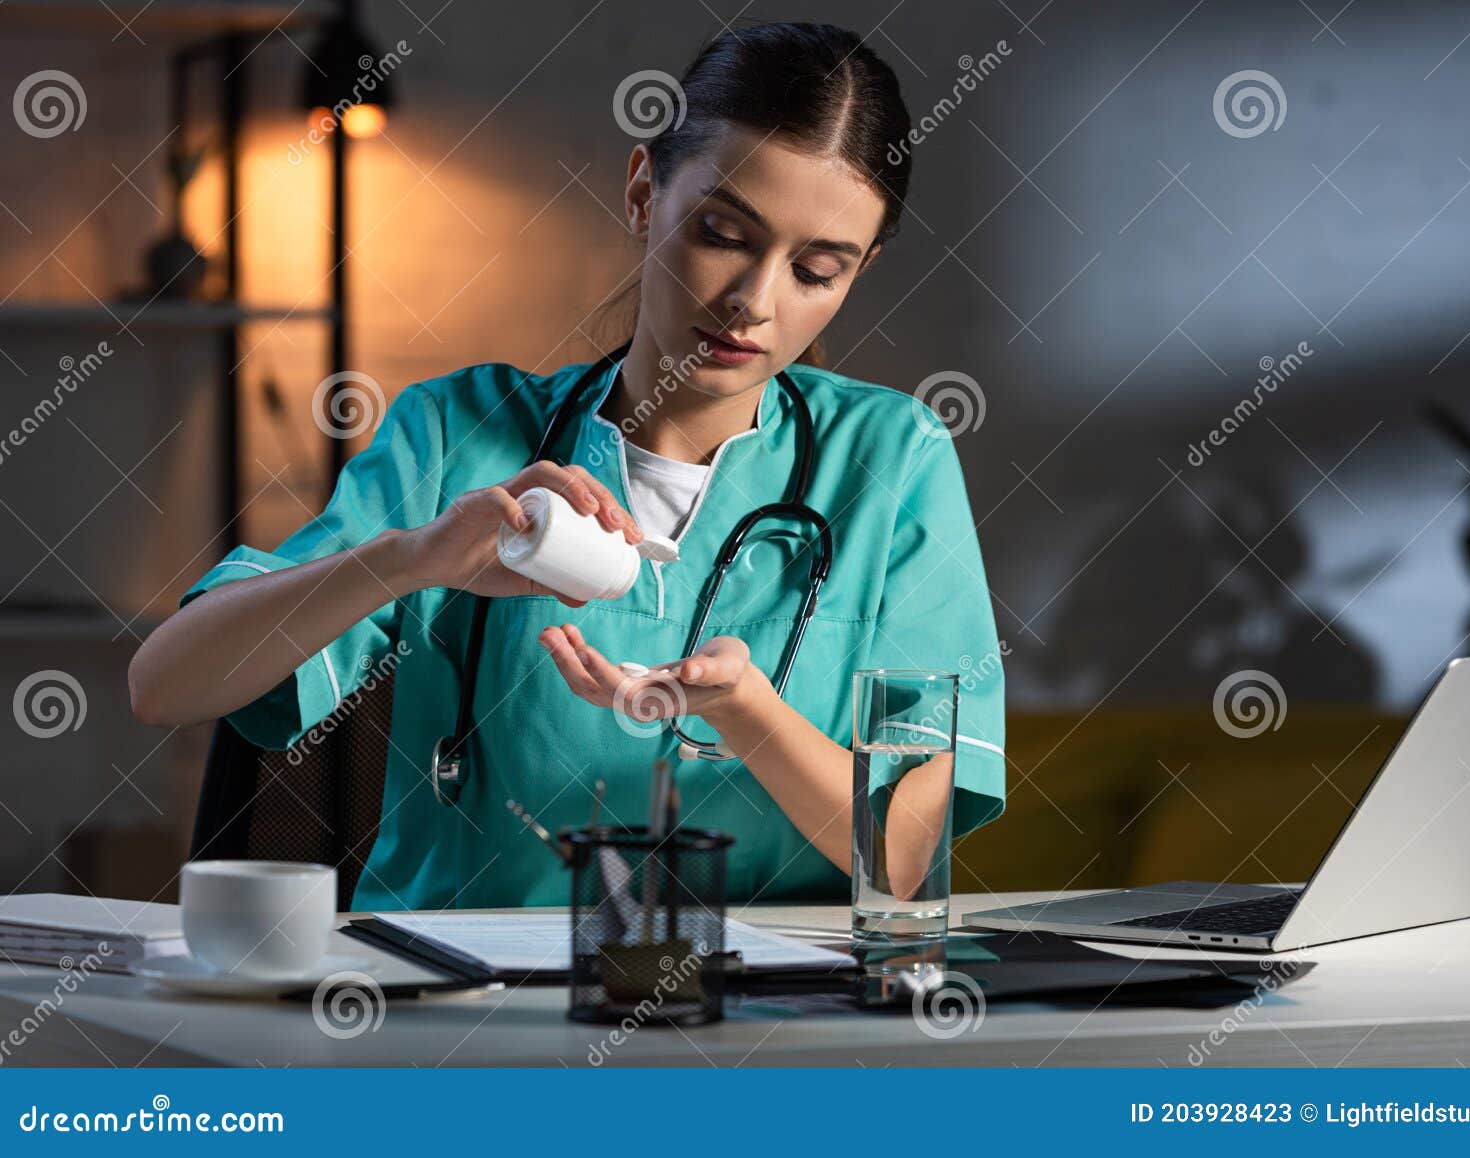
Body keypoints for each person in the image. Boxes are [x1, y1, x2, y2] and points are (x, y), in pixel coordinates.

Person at [128, 21, 1007, 910]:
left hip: (766, 1013)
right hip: (463, 1002)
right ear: (640, 193)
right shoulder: (456, 432)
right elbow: (164, 684)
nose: (754, 301)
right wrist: (408, 561)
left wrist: (748, 712)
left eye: (817, 270)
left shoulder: (894, 460)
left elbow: (902, 862)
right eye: (723, 233)